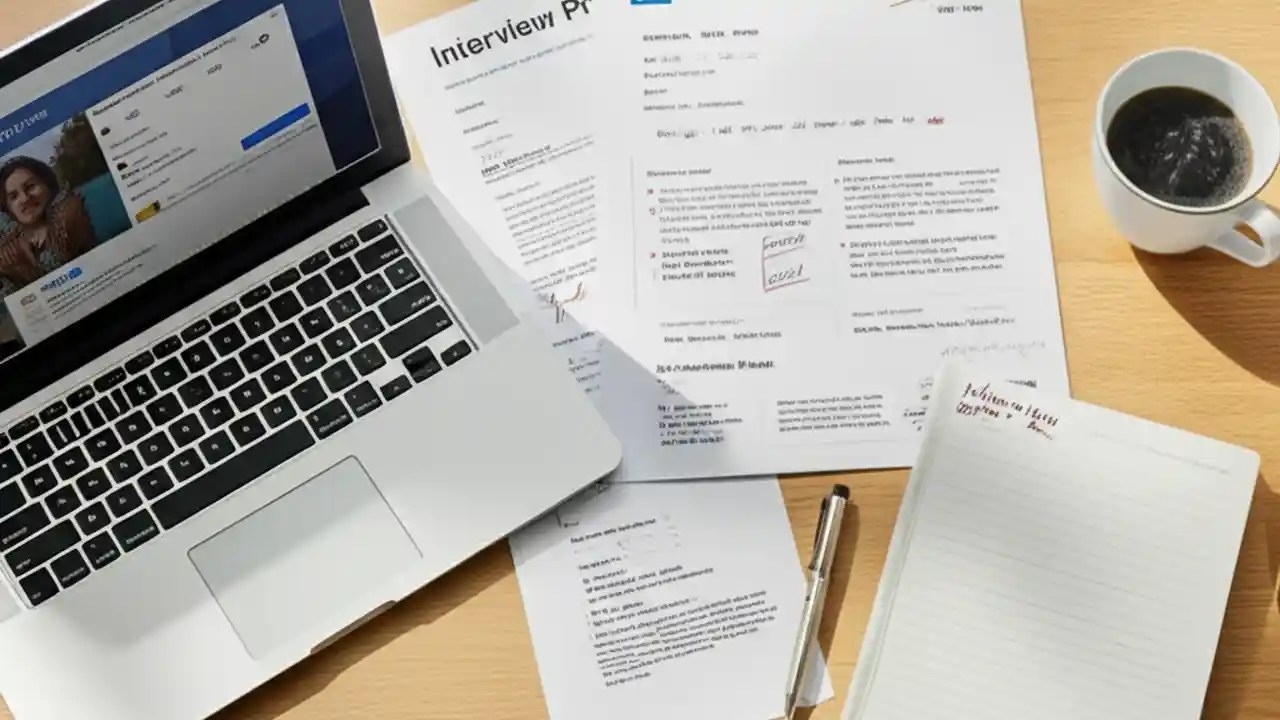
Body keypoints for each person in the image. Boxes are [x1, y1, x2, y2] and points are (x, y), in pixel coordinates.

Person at [0, 156, 96, 293]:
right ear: (7, 207)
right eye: (13, 196)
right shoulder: (7, 256)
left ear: (48, 185)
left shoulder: (73, 215)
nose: (25, 199)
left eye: (30, 187)